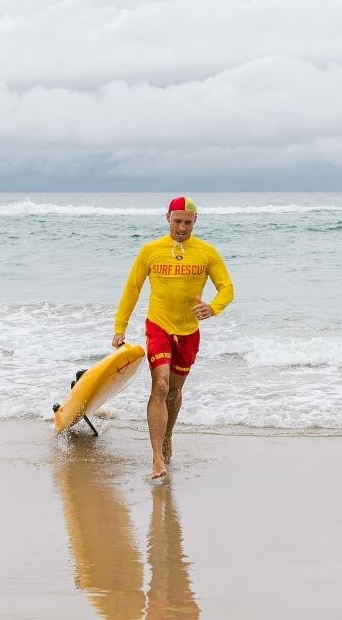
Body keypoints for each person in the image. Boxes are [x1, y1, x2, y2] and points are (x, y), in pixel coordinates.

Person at [113, 196, 234, 479]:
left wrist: (213, 307)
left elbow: (227, 288)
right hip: (158, 326)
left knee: (174, 391)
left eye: (188, 222)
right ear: (167, 217)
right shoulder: (151, 251)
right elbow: (132, 289)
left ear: (196, 221)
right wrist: (120, 327)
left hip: (188, 332)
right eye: (177, 221)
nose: (182, 227)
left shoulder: (206, 252)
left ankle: (167, 437)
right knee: (160, 385)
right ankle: (157, 458)